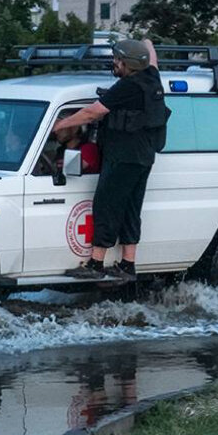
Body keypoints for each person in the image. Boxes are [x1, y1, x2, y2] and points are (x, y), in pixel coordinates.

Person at [52, 38, 169, 281]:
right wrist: (146, 41)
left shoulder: (128, 87)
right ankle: (128, 265)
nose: (114, 64)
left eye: (118, 60)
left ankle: (96, 264)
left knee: (106, 205)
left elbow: (91, 112)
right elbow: (152, 56)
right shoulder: (152, 78)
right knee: (130, 208)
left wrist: (60, 125)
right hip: (143, 157)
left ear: (128, 64)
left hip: (123, 157)